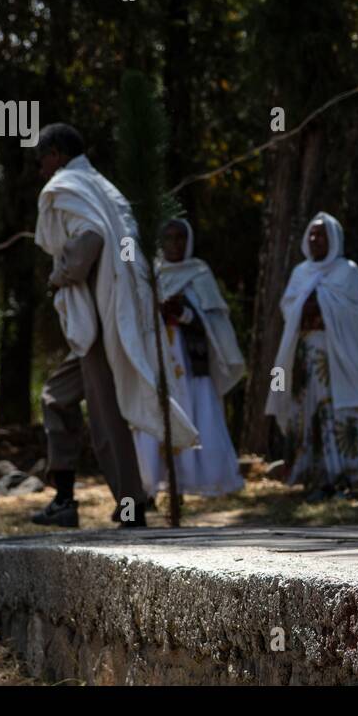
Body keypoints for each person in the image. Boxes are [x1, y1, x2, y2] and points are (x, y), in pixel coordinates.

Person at [32, 123, 198, 528]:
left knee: (107, 416)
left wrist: (61, 275)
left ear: (55, 152)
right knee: (56, 398)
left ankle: (131, 506)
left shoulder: (69, 184)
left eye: (41, 158)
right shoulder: (102, 187)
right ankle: (66, 499)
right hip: (107, 315)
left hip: (103, 320)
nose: (39, 169)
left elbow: (90, 240)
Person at [266, 212, 358, 497]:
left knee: (337, 411)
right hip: (305, 356)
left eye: (321, 234)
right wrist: (309, 305)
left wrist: (320, 302)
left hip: (338, 357)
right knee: (309, 412)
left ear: (334, 239)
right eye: (311, 234)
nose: (314, 239)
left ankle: (348, 473)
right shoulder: (301, 273)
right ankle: (315, 477)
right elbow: (289, 309)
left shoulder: (347, 272)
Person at [133, 219, 245, 499]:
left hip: (190, 363)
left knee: (194, 413)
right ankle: (152, 485)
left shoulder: (199, 273)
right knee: (159, 414)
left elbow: (215, 323)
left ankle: (187, 483)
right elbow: (135, 318)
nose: (175, 244)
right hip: (158, 360)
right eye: (168, 238)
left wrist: (183, 313)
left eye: (180, 237)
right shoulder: (150, 274)